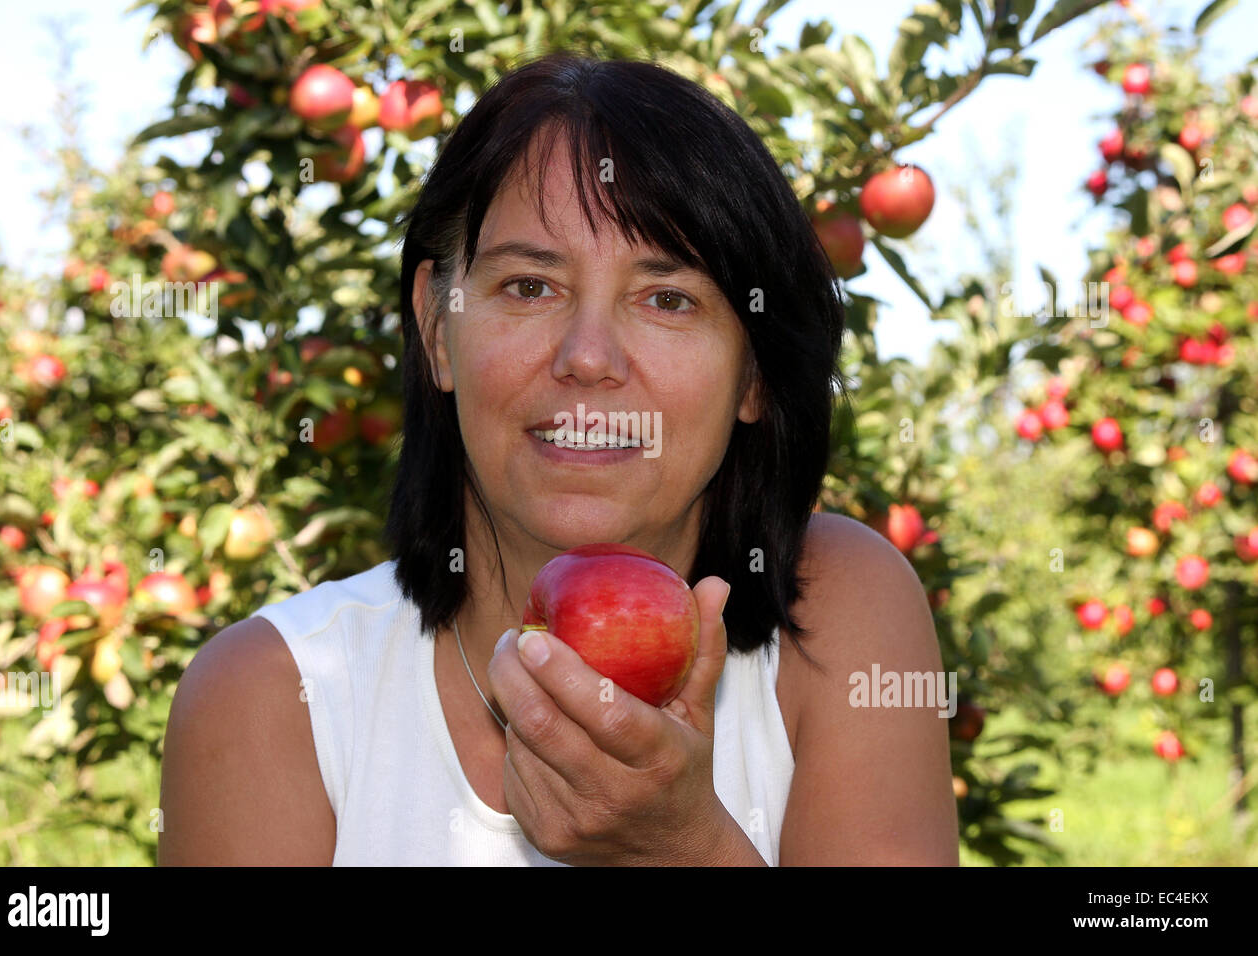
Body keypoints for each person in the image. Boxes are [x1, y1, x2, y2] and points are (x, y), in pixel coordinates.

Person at [157, 51, 959, 866]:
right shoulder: (271, 697)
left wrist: (683, 849)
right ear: (438, 330)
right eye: (529, 287)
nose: (587, 356)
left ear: (753, 373)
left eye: (668, 299)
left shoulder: (836, 611)